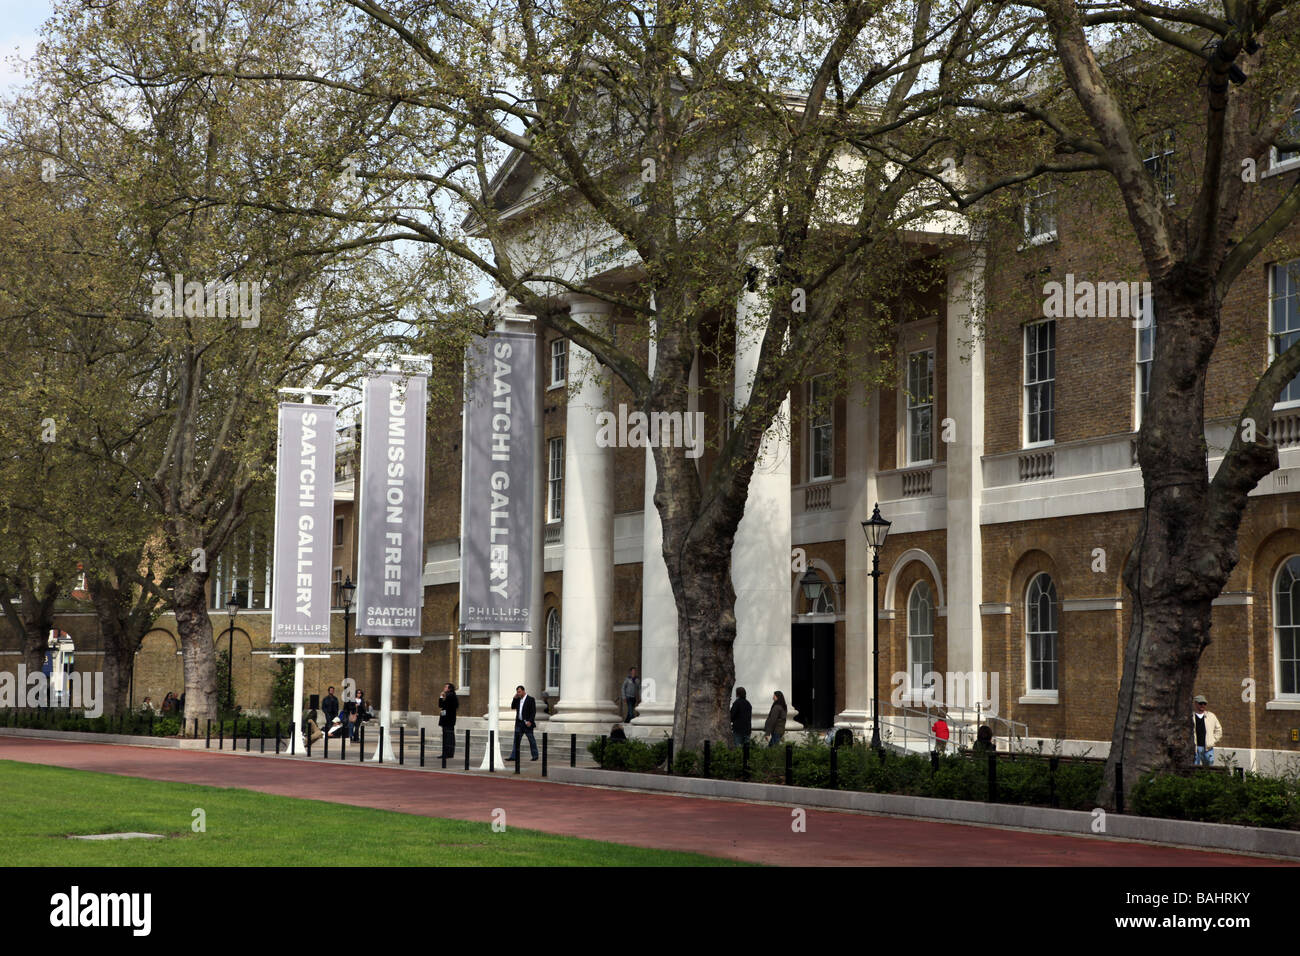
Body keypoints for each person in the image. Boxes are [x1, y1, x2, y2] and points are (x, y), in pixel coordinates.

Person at [508, 685, 539, 761]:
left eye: (519, 692)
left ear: (523, 691)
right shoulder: (518, 699)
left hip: (527, 724)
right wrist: (514, 699)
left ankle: (535, 756)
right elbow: (512, 707)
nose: (518, 693)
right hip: (519, 723)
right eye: (517, 692)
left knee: (531, 740)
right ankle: (513, 756)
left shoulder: (530, 699)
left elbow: (533, 712)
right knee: (516, 741)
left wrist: (530, 721)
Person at [1192, 694, 1222, 766]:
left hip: (1208, 748)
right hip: (1195, 748)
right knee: (1195, 767)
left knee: (1209, 767)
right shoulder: (1191, 716)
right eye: (1200, 703)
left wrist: (1213, 740)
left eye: (1204, 703)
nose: (1203, 705)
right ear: (1195, 703)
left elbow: (1218, 730)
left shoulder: (1211, 716)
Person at [438, 682, 459, 759]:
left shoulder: (449, 696)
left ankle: (446, 753)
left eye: (445, 687)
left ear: (449, 688)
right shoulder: (453, 695)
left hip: (447, 720)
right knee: (450, 736)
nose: (444, 688)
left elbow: (441, 705)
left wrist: (441, 696)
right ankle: (450, 753)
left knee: (446, 737)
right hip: (450, 720)